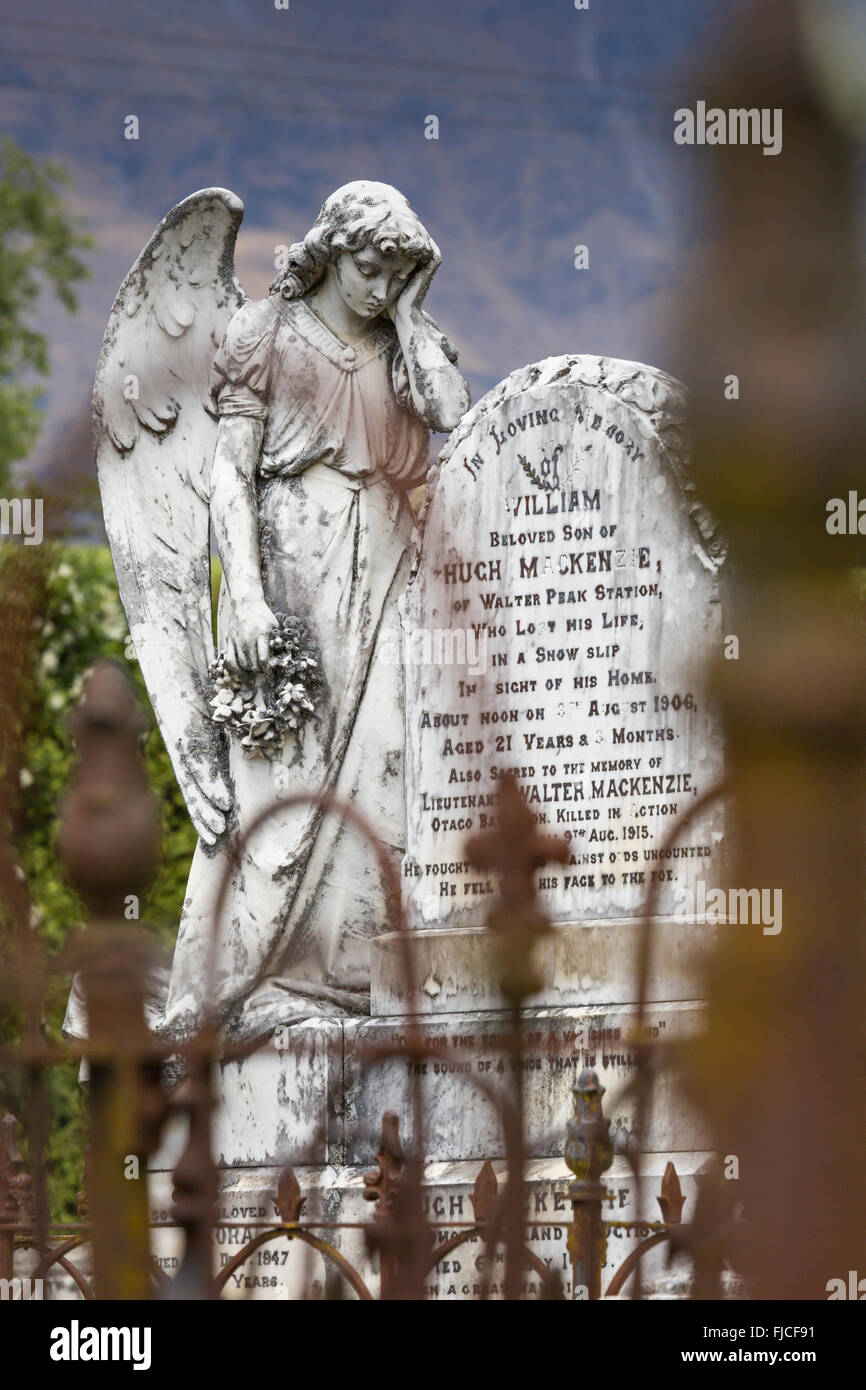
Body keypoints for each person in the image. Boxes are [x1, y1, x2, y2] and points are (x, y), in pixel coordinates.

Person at [158, 181, 470, 1046]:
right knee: (287, 783)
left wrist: (410, 314)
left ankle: (357, 975)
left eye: (397, 274)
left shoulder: (405, 342)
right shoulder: (266, 334)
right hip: (299, 562)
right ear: (333, 249)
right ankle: (246, 980)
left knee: (388, 766)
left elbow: (450, 415)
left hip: (393, 568)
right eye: (371, 268)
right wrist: (246, 597)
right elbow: (228, 475)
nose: (377, 286)